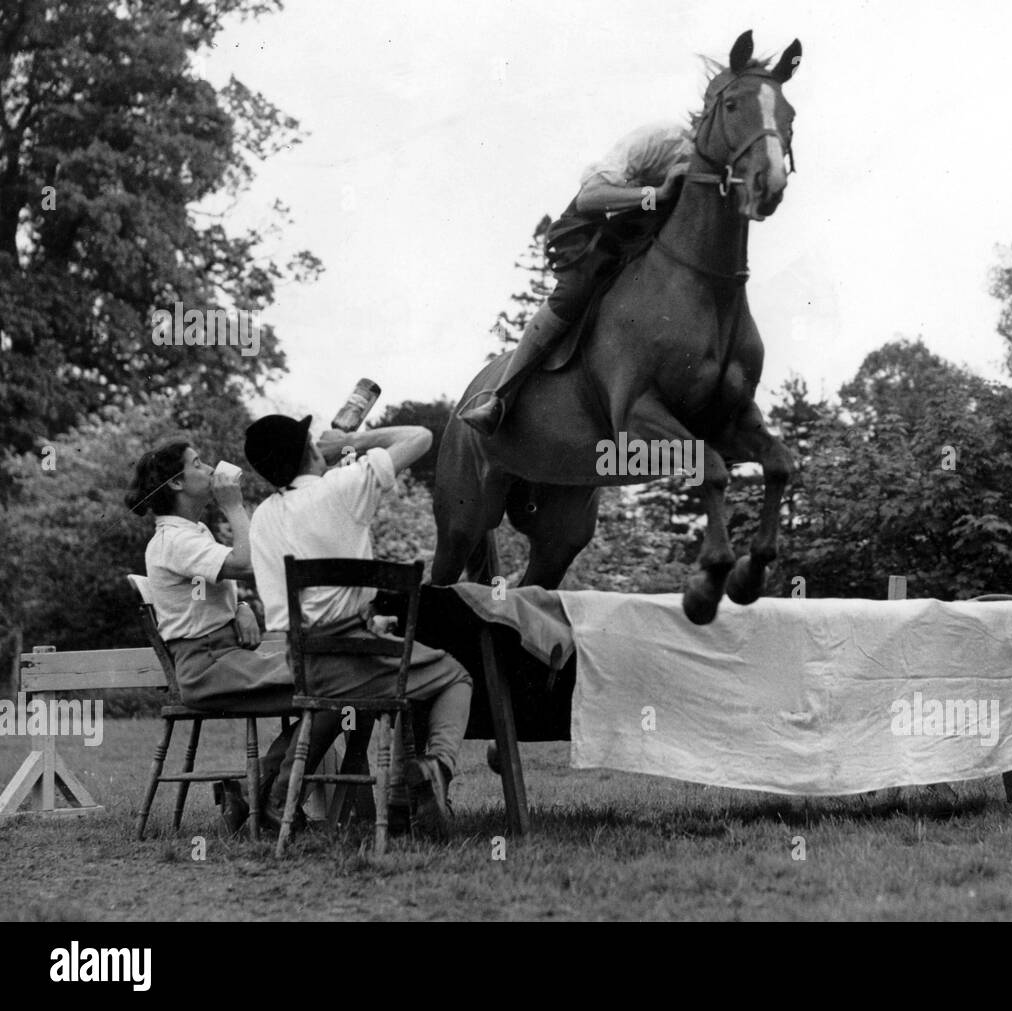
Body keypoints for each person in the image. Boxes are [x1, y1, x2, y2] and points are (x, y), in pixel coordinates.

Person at [244, 414, 473, 837]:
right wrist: (352, 441)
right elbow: (420, 436)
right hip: (352, 654)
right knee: (455, 676)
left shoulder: (261, 516)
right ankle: (435, 767)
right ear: (311, 450)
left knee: (334, 704)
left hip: (303, 661)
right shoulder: (344, 486)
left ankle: (267, 796)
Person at [457, 120, 694, 435]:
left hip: (640, 242)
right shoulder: (660, 139)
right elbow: (590, 197)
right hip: (592, 232)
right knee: (575, 291)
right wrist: (658, 194)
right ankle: (500, 398)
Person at [124, 442, 296, 831]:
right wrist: (234, 506)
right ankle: (263, 795)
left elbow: (212, 582)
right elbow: (248, 564)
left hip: (221, 658)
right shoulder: (174, 540)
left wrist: (240, 608)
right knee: (328, 686)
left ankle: (257, 792)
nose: (209, 467)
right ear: (177, 483)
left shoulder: (191, 533)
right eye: (198, 463)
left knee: (327, 682)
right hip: (207, 668)